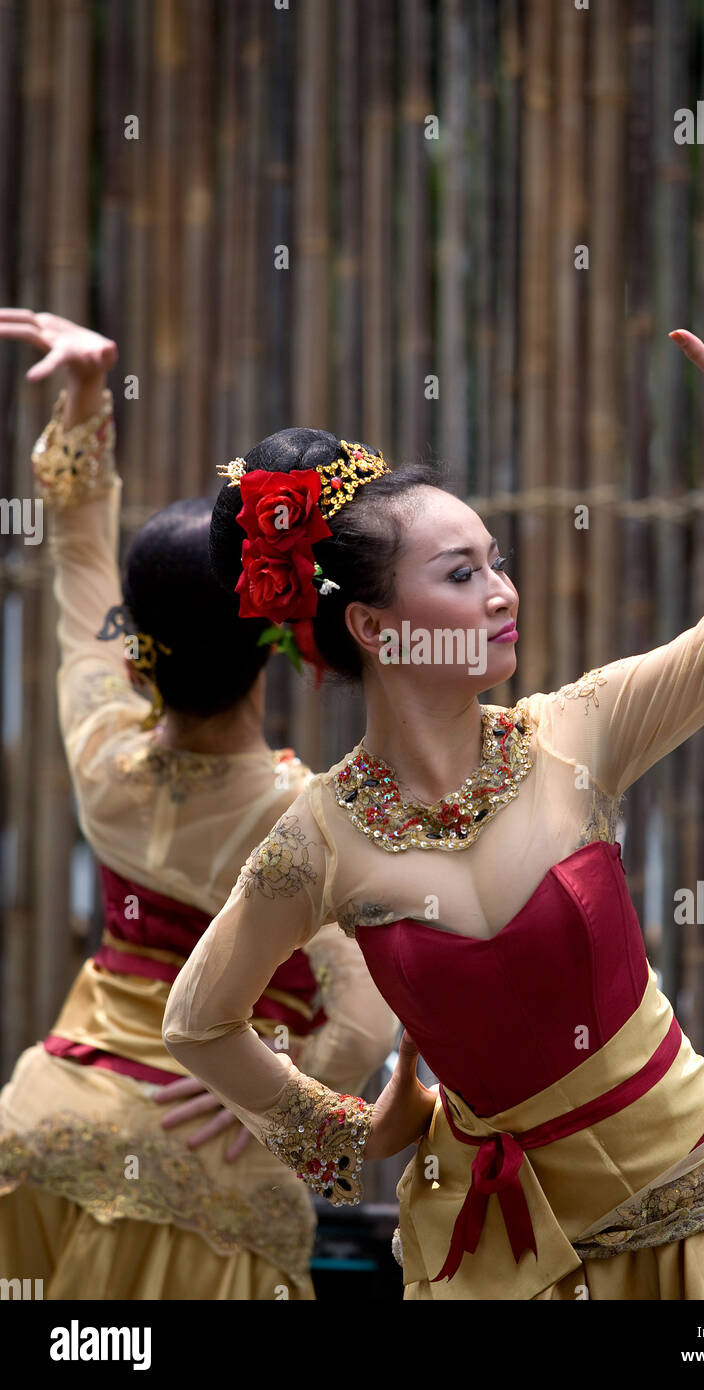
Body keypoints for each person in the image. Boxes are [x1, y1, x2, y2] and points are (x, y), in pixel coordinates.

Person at [163, 317, 704, 1300]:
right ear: (371, 624)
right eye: (461, 573)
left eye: (496, 561)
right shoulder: (318, 840)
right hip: (506, 1256)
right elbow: (198, 1020)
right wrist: (350, 1132)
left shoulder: (575, 734)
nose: (502, 592)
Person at [0, 309, 396, 1301]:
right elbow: (365, 1018)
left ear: (135, 643)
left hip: (43, 1121)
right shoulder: (312, 822)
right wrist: (277, 1089)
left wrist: (85, 395)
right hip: (206, 1175)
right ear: (274, 637)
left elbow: (79, 551)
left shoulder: (101, 743)